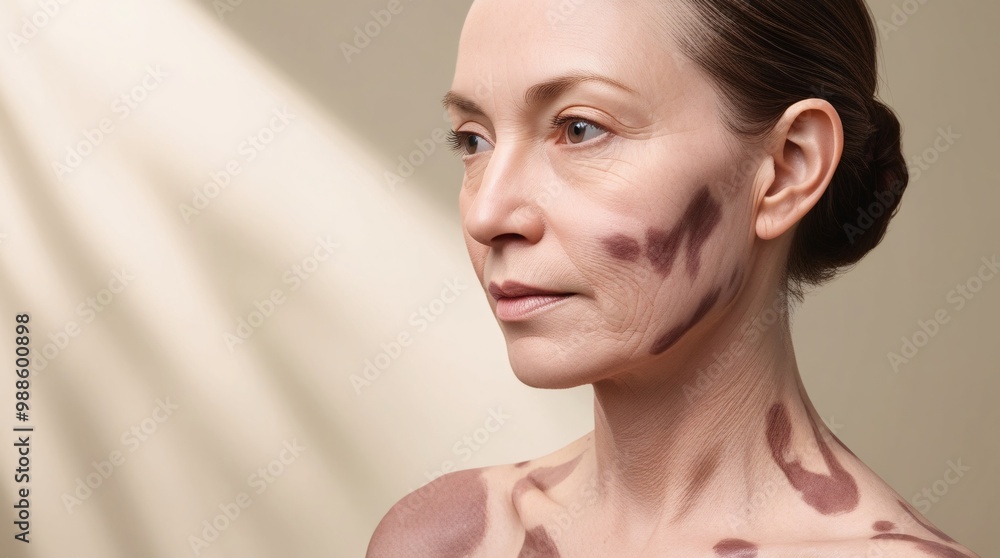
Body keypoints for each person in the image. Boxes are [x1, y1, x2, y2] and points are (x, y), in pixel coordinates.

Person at [368, 0, 979, 556]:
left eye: (580, 128)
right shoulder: (446, 541)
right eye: (472, 140)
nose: (486, 213)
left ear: (790, 166)